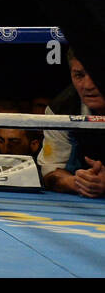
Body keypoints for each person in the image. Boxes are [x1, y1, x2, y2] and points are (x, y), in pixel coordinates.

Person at [38, 52, 105, 198]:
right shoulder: (60, 110)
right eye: (79, 75)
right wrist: (77, 182)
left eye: (97, 75)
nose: (88, 85)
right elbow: (51, 171)